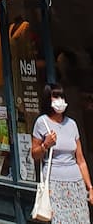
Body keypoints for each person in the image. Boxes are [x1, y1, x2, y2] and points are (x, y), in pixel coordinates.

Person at [32, 84, 93, 224]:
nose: (60, 100)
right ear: (48, 100)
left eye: (62, 97)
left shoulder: (71, 124)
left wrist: (89, 187)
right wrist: (45, 145)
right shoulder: (42, 122)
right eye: (56, 97)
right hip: (54, 185)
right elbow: (34, 154)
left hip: (76, 185)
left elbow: (81, 160)